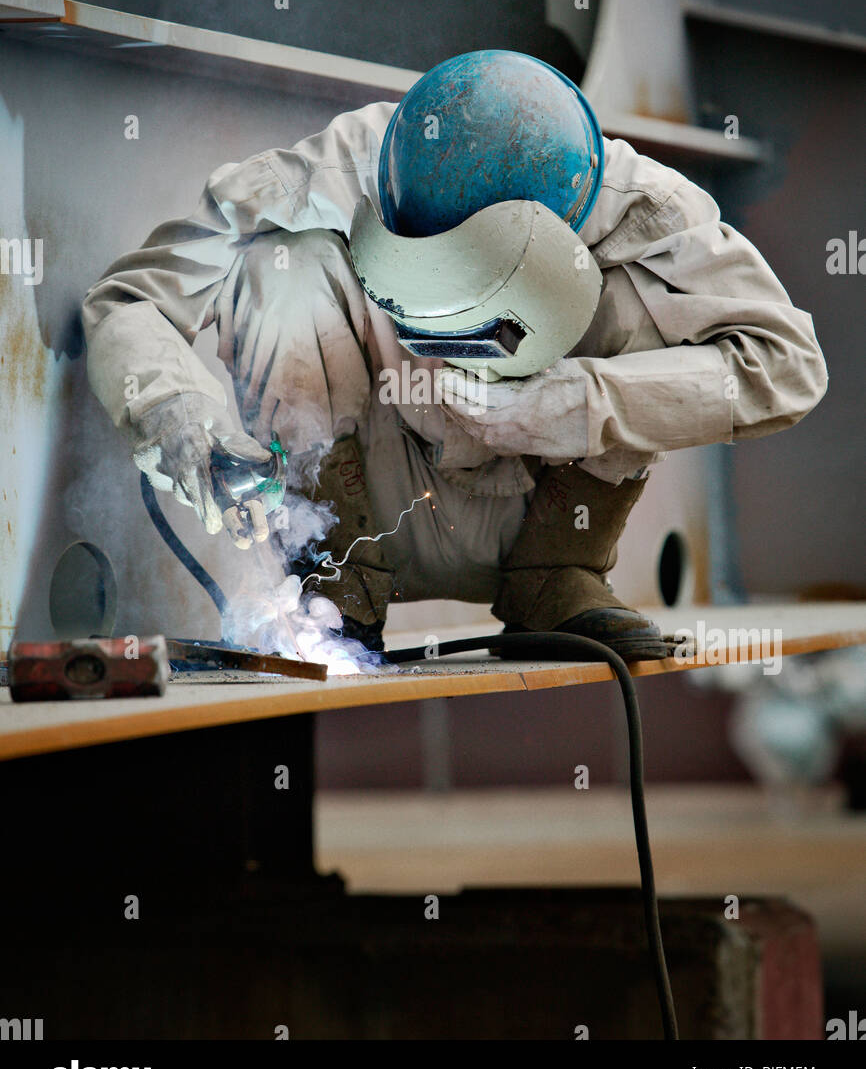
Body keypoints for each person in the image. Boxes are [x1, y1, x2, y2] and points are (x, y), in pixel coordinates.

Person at [82, 51, 827, 660]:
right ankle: (337, 584)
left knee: (638, 296)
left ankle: (554, 578)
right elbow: (133, 298)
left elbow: (790, 368)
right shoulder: (339, 167)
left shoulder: (646, 209)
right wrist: (171, 408)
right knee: (284, 265)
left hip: (541, 508)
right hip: (369, 497)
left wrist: (576, 404)